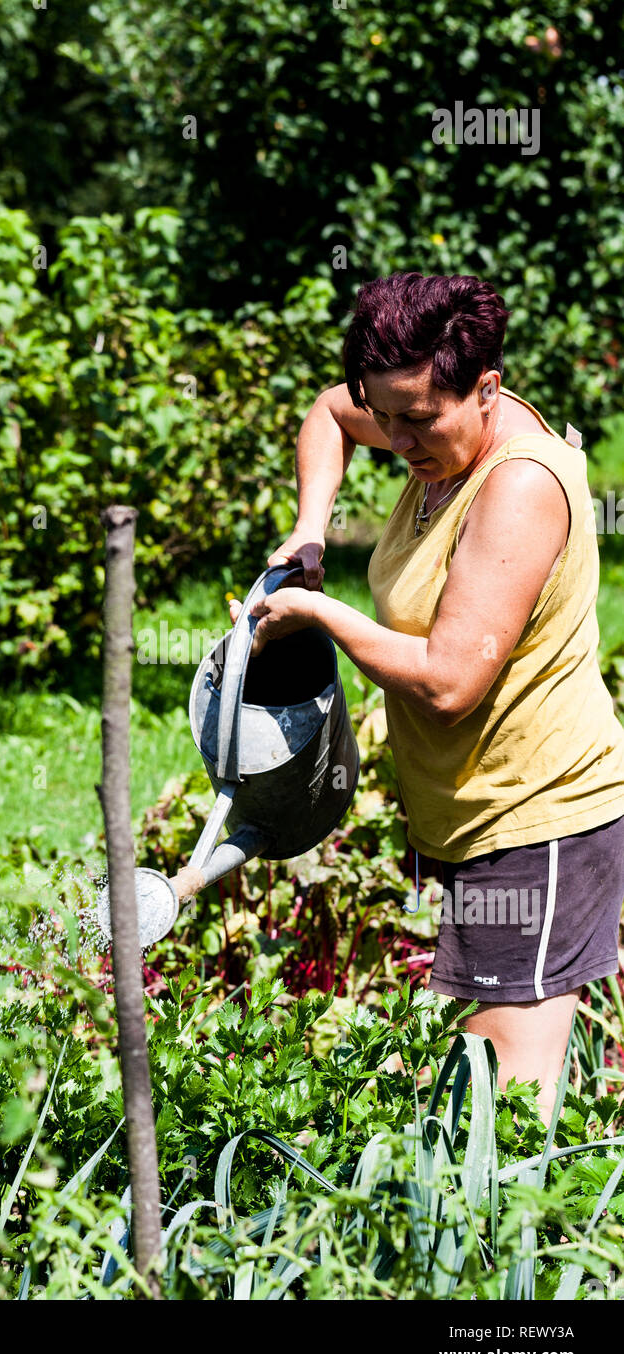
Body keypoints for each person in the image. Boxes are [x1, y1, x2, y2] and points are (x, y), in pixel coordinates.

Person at [235, 270, 624, 1126]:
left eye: (417, 418)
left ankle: (537, 1254)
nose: (396, 437)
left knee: (505, 1114)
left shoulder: (517, 488)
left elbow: (450, 683)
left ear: (486, 389)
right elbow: (328, 413)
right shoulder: (426, 421)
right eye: (387, 414)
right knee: (479, 1089)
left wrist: (316, 612)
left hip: (537, 817)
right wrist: (310, 529)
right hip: (472, 810)